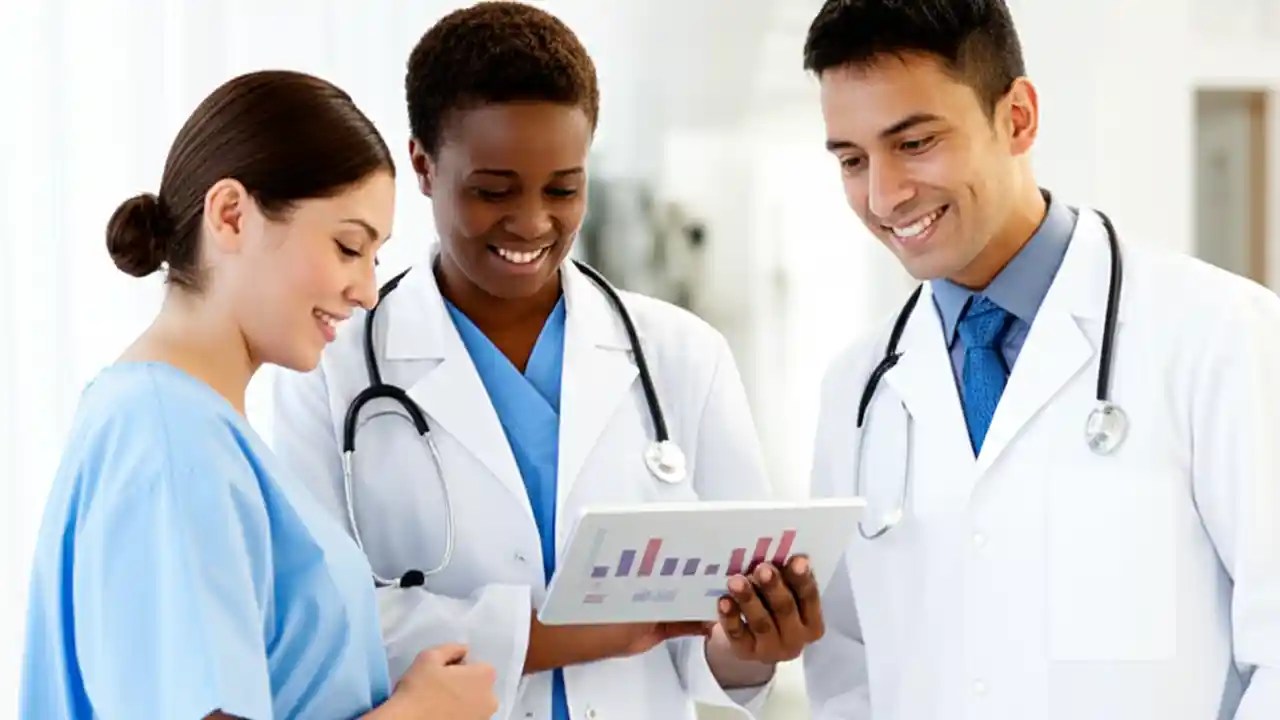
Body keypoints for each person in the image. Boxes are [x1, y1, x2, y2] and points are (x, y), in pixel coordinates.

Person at [269, 3, 826, 719]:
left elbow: (711, 644)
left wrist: (754, 640)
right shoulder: (331, 363)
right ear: (423, 165)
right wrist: (559, 634)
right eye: (493, 190)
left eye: (564, 188)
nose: (533, 222)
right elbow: (318, 624)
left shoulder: (682, 356)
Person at [797, 1, 1280, 718]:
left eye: (916, 143)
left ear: (1017, 117)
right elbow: (846, 669)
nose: (883, 195)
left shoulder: (1219, 336)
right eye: (852, 160)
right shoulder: (861, 386)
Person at [19, 69, 499, 720]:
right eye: (347, 245)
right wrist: (419, 713)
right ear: (231, 215)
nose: (365, 289)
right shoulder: (166, 437)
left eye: (375, 258)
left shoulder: (191, 429)